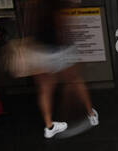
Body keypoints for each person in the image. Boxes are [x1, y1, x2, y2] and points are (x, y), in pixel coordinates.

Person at [25, 0, 98, 139]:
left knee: (45, 89)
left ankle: (49, 126)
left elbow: (30, 20)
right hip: (58, 48)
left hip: (40, 48)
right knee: (75, 81)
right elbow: (60, 23)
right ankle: (91, 114)